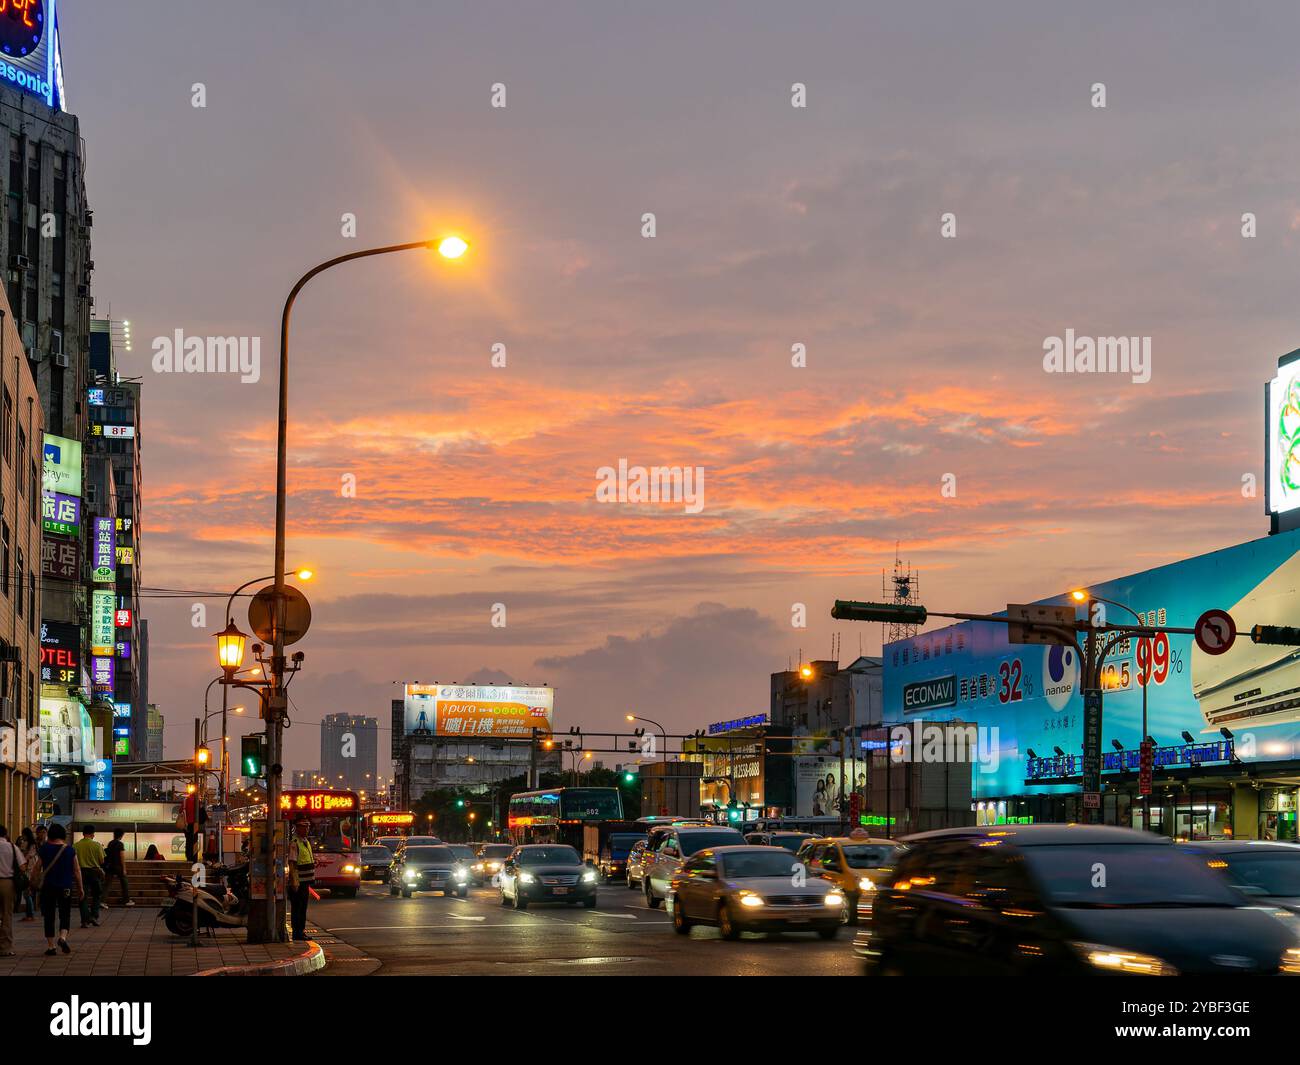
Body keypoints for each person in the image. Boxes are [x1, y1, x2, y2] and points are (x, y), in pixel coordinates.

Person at [32, 823, 82, 955]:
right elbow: (77, 871)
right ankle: (63, 937)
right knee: (65, 913)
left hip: (48, 887)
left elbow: (37, 868)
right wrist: (80, 888)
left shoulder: (44, 848)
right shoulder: (70, 850)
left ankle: (51, 946)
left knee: (49, 915)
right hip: (65, 887)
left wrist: (33, 882)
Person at [287, 817, 315, 942]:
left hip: (306, 882)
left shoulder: (306, 842)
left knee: (303, 908)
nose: (306, 829)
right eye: (304, 827)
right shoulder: (294, 842)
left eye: (308, 827)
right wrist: (294, 881)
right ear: (297, 828)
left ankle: (301, 931)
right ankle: (297, 933)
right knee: (297, 908)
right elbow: (292, 863)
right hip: (299, 883)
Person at [73, 825, 105, 928]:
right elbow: (102, 861)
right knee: (97, 894)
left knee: (83, 896)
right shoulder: (97, 845)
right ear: (93, 834)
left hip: (81, 872)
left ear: (83, 834)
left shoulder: (75, 846)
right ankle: (94, 916)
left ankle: (84, 920)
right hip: (94, 872)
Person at [0, 824, 23, 956]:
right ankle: (5, 947)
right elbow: (22, 866)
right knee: (7, 915)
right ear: (5, 834)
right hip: (7, 883)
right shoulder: (12, 847)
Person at [103, 828, 133, 907]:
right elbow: (122, 857)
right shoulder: (120, 844)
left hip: (110, 866)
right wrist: (124, 869)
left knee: (107, 884)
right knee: (124, 882)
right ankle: (126, 900)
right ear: (121, 835)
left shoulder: (110, 843)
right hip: (118, 866)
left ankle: (102, 901)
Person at [17, 828, 36, 921]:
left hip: (27, 870)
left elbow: (26, 857)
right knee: (28, 893)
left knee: (27, 893)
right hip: (30, 869)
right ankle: (29, 914)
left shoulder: (29, 845)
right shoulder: (33, 845)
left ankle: (30, 914)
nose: (22, 836)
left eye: (23, 834)